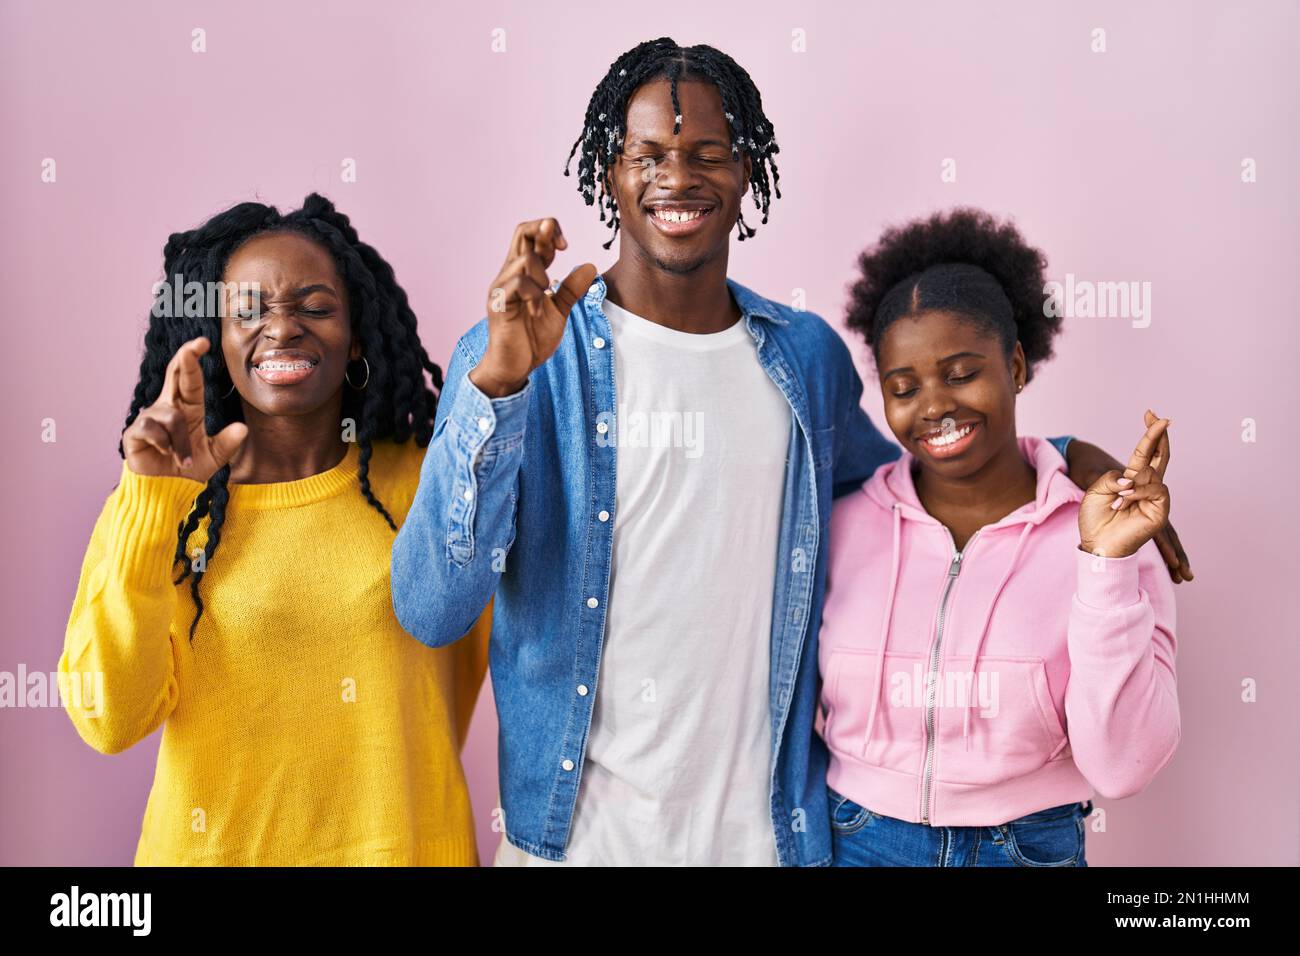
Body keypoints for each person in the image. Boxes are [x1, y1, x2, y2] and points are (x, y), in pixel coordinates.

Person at [392, 39, 1190, 866]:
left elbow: (908, 478)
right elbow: (431, 607)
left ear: (747, 172)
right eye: (648, 155)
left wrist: (1064, 459)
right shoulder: (522, 357)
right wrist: (496, 388)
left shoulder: (802, 358)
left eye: (708, 153)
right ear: (608, 171)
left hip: (769, 839)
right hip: (577, 842)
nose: (677, 177)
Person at [59, 194, 490, 865]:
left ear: (357, 338)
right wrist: (152, 500)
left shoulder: (429, 487)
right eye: (249, 312)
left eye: (315, 307)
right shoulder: (154, 504)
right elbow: (110, 720)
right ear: (215, 340)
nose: (281, 329)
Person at [820, 208, 1180, 866]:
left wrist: (1104, 566)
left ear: (1015, 364)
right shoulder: (840, 526)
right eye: (904, 388)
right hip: (854, 840)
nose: (932, 406)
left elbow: (1124, 768)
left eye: (961, 374)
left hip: (1026, 846)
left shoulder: (1107, 536)